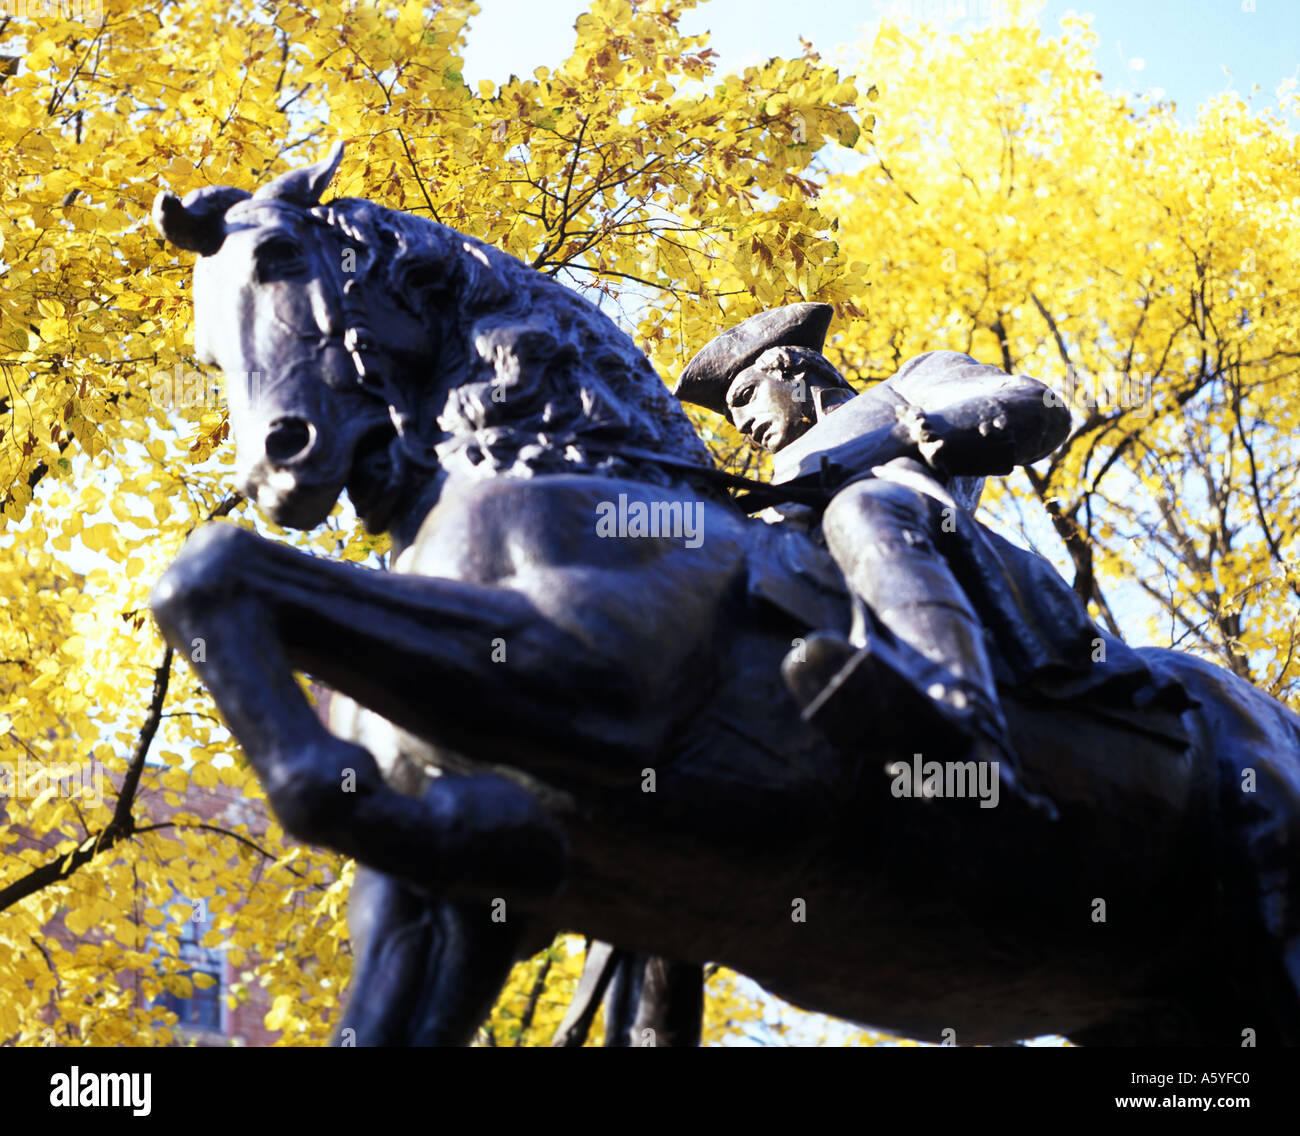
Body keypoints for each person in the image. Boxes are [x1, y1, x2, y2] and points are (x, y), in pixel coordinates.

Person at [674, 303, 1075, 815]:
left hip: (916, 532)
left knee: (860, 506)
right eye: (734, 418)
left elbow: (1030, 403)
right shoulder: (770, 490)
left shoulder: (905, 389)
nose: (743, 425)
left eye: (746, 398)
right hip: (810, 572)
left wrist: (927, 433)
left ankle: (964, 729)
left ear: (792, 370)